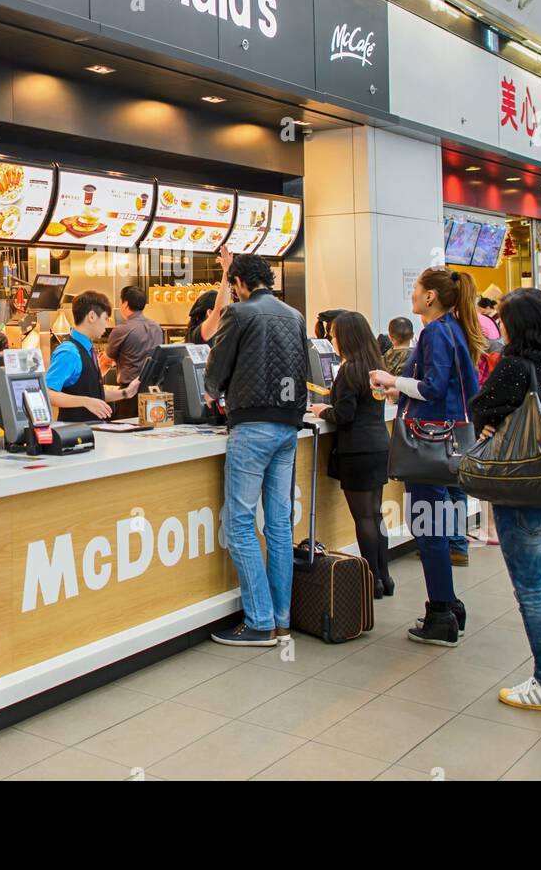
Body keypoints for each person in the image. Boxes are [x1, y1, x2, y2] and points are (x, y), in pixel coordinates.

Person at [471, 288, 541, 715]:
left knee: (533, 591)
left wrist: (489, 423)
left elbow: (481, 406)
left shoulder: (517, 367)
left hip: (526, 491)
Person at [370, 267, 484, 647]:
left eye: (417, 289)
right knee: (438, 523)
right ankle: (449, 604)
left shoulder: (435, 331)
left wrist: (393, 381)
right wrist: (401, 391)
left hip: (428, 440)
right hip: (447, 439)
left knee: (429, 527)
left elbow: (433, 387)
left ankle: (440, 614)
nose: (413, 295)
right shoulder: (454, 329)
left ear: (431, 296)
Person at [202, 255, 308, 648]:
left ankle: (259, 621)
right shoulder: (294, 316)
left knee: (240, 524)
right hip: (288, 425)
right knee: (279, 525)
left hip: (252, 427)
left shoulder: (240, 314)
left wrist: (211, 392)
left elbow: (217, 367)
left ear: (241, 282)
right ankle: (282, 620)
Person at [309, 311, 393, 598]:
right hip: (379, 444)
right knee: (375, 514)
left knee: (363, 518)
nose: (332, 340)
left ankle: (371, 583)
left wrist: (322, 410)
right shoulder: (375, 366)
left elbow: (344, 415)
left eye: (333, 335)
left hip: (356, 450)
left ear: (346, 338)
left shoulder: (349, 369)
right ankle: (384, 576)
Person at [45, 291, 140, 422]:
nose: (107, 325)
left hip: (94, 432)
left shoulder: (88, 350)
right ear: (92, 316)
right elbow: (47, 394)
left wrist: (126, 393)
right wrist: (85, 402)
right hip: (75, 436)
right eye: (106, 318)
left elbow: (93, 394)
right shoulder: (69, 352)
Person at [105, 285, 162, 418]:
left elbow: (107, 359)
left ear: (125, 304)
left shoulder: (122, 329)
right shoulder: (156, 327)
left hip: (130, 391)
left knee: (128, 431)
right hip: (154, 389)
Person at [185, 246, 234, 344]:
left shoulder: (219, 332)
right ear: (209, 312)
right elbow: (219, 311)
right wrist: (227, 273)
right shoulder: (197, 334)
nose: (226, 315)